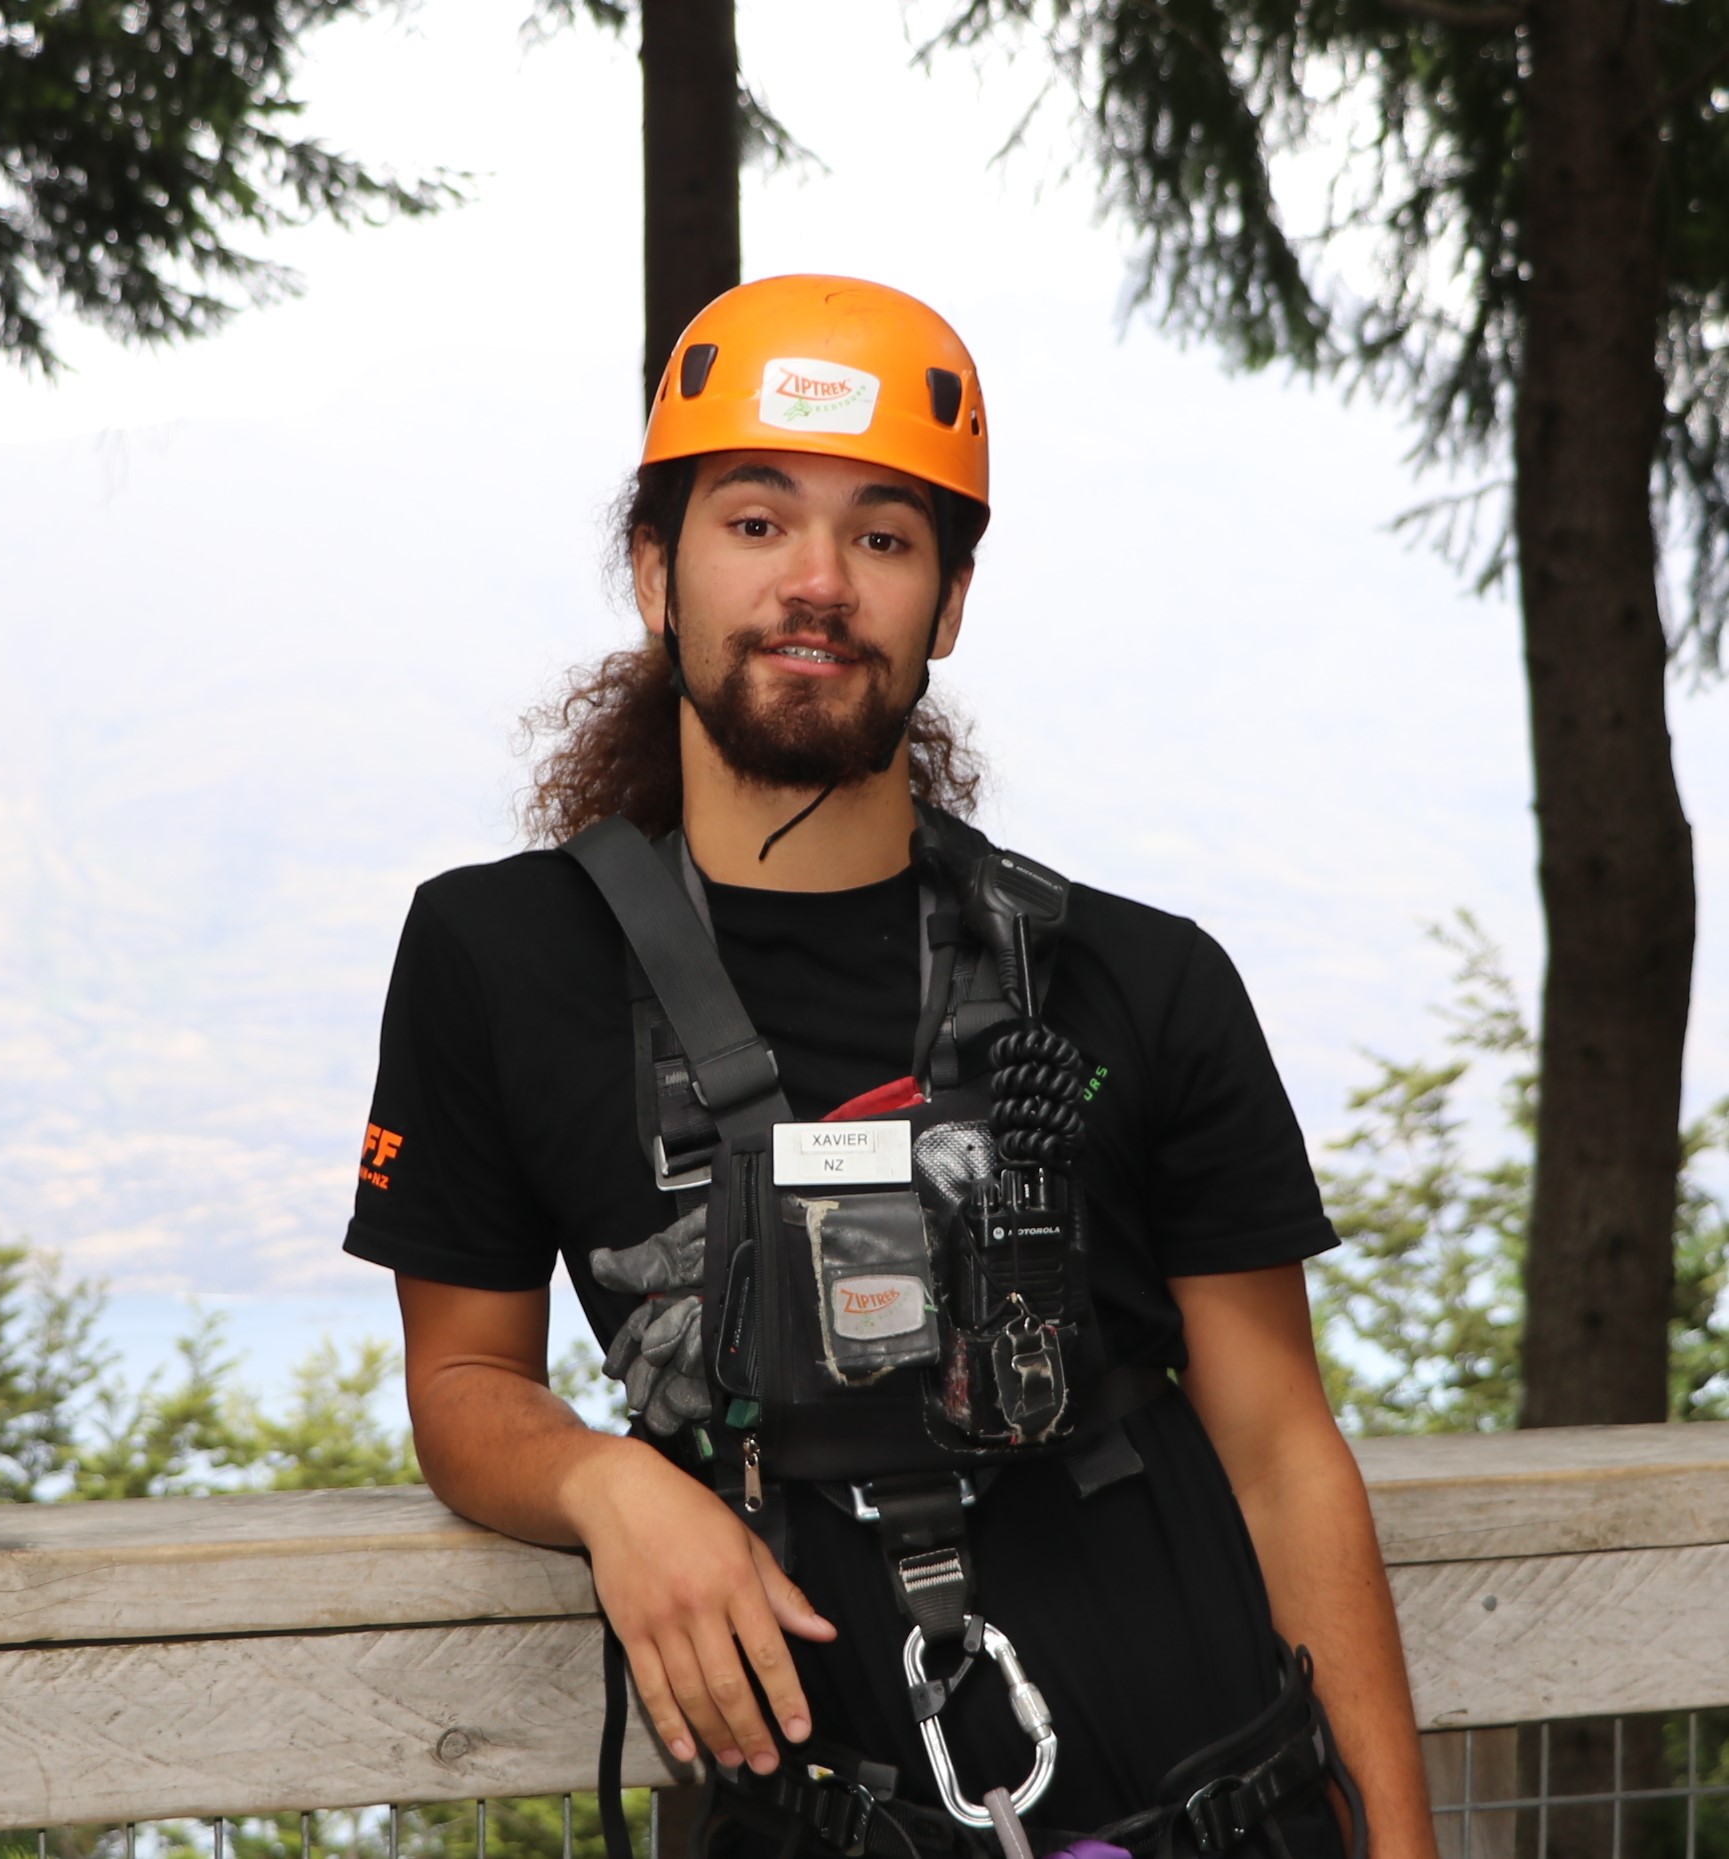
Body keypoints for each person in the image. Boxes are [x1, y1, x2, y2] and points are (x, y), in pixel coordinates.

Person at [344, 275, 1438, 1859]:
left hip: (1223, 1795)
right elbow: (460, 1383)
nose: (815, 582)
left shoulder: (1136, 976)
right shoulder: (499, 959)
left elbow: (1279, 1447)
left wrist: (1392, 1847)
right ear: (656, 572)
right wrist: (607, 1486)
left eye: (880, 536)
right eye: (753, 522)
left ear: (946, 603)